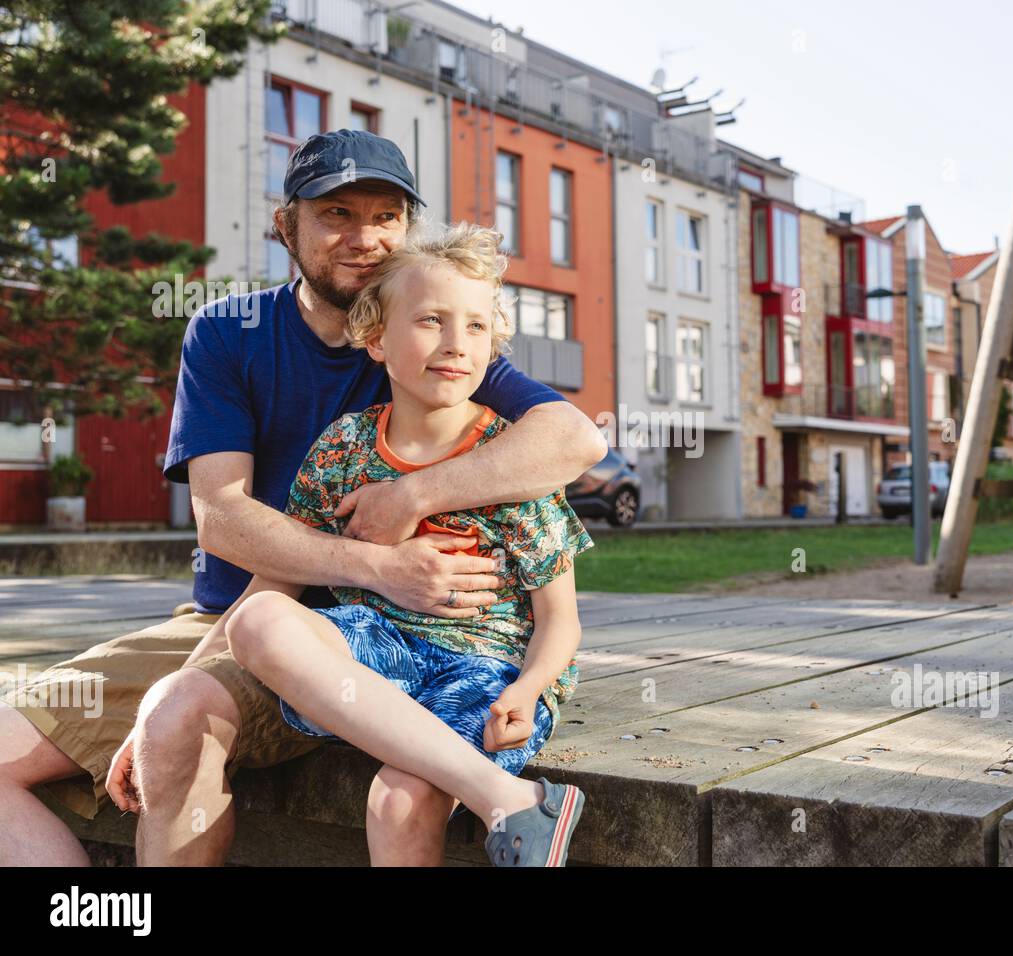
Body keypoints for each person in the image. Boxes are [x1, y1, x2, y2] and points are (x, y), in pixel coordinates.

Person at [0, 129, 606, 866]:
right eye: (337, 214)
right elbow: (224, 520)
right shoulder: (231, 332)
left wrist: (412, 493)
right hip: (243, 621)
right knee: (148, 718)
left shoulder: (437, 339)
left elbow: (576, 441)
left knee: (376, 779)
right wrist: (375, 563)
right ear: (286, 226)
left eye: (387, 216)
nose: (366, 238)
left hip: (410, 640)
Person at [206, 220, 591, 865]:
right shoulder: (343, 448)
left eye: (474, 326)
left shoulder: (511, 460)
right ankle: (511, 799)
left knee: (399, 800)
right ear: (375, 339)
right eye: (431, 320)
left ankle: (500, 791)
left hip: (485, 670)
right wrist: (185, 682)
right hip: (374, 653)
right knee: (260, 619)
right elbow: (274, 580)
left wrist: (528, 691)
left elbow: (561, 618)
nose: (454, 344)